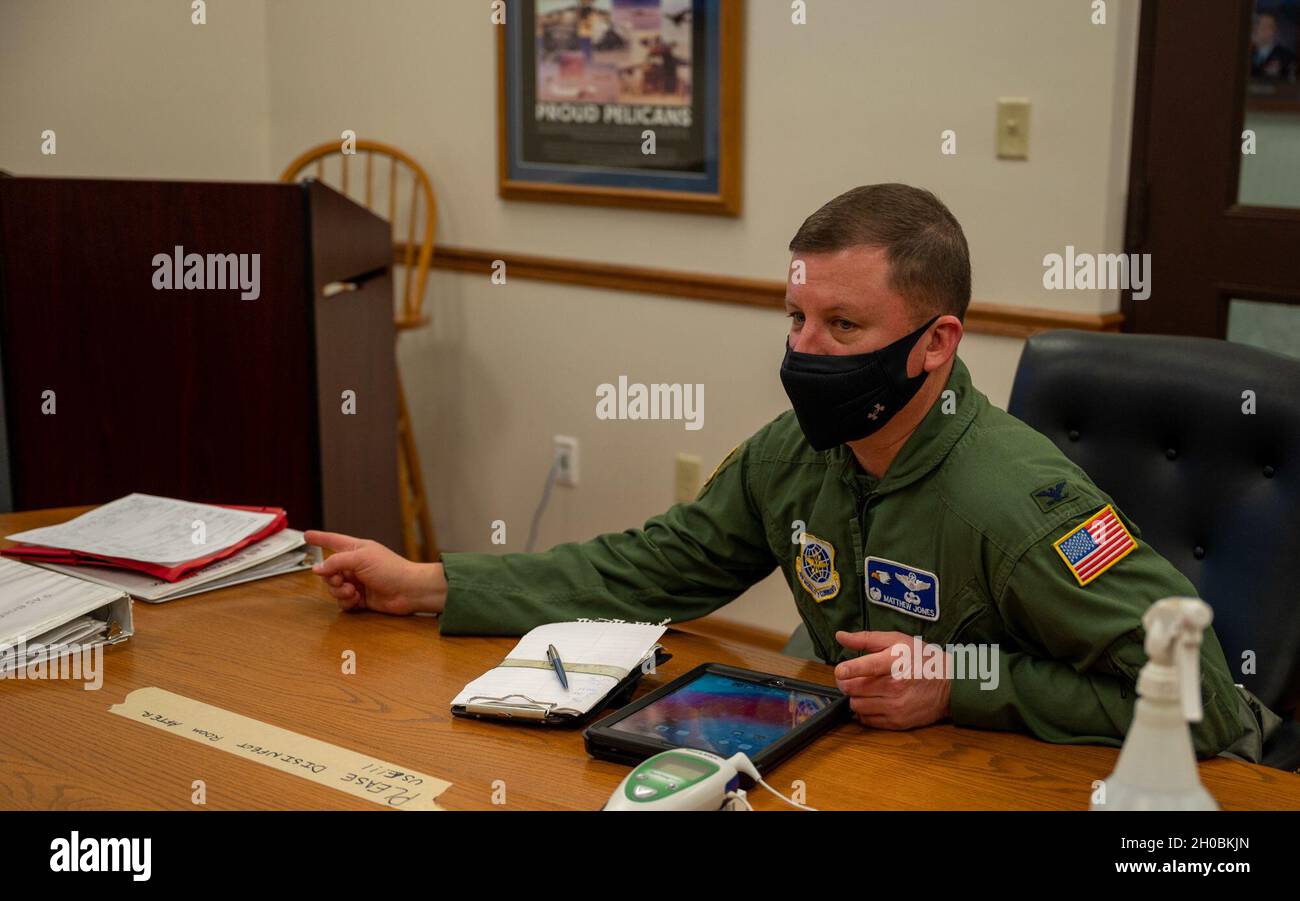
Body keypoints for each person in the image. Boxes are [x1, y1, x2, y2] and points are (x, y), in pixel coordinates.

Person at [307, 184, 1280, 762]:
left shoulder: (1017, 503)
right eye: (797, 320)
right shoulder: (798, 451)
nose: (808, 351)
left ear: (935, 343)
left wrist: (965, 681)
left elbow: (1206, 700)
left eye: (844, 328)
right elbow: (647, 567)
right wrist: (429, 582)